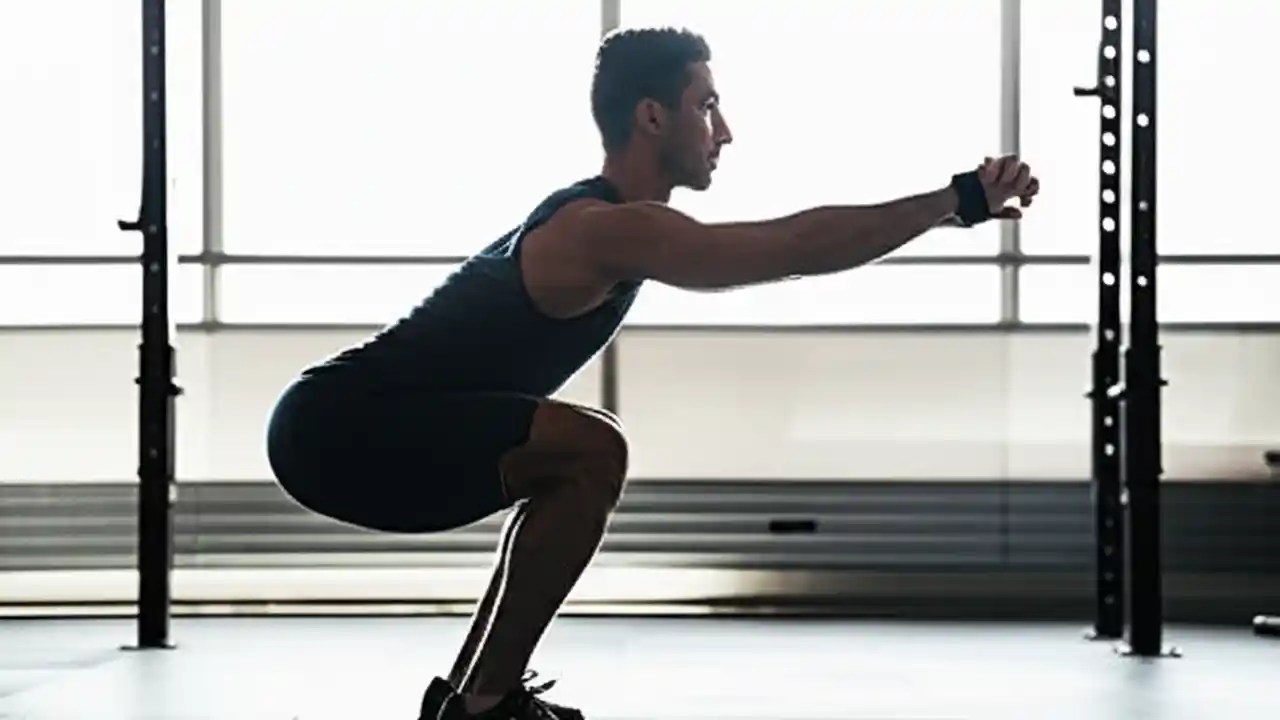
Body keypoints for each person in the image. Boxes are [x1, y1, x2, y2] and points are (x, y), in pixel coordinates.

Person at [265, 25, 1040, 720]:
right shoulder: (603, 228)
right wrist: (955, 200)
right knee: (592, 449)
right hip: (338, 427)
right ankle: (485, 704)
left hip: (347, 425)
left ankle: (471, 699)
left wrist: (950, 210)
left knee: (574, 462)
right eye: (707, 105)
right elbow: (796, 247)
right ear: (652, 117)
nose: (725, 131)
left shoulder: (608, 222)